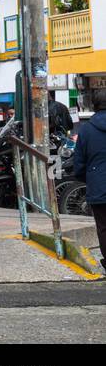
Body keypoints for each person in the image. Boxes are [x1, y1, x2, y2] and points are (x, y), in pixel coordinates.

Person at [71, 86, 106, 258]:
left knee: (103, 227)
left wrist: (89, 179)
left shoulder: (86, 130)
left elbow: (79, 164)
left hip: (98, 186)